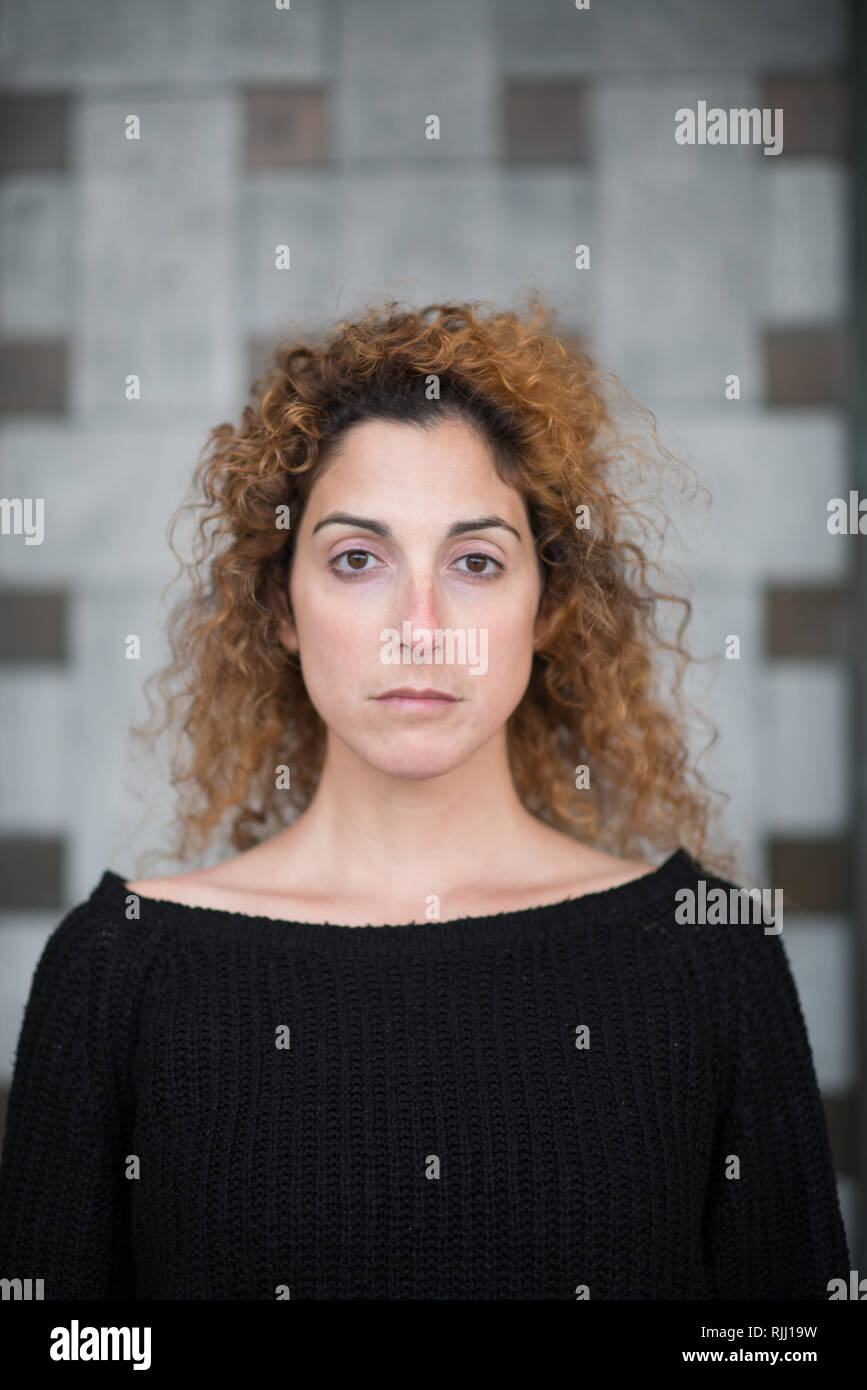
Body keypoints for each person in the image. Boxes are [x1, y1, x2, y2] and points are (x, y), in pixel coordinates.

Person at [0, 298, 850, 1299]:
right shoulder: (117, 973)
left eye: (476, 562)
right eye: (358, 560)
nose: (422, 626)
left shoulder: (710, 960)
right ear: (281, 606)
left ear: (547, 605)